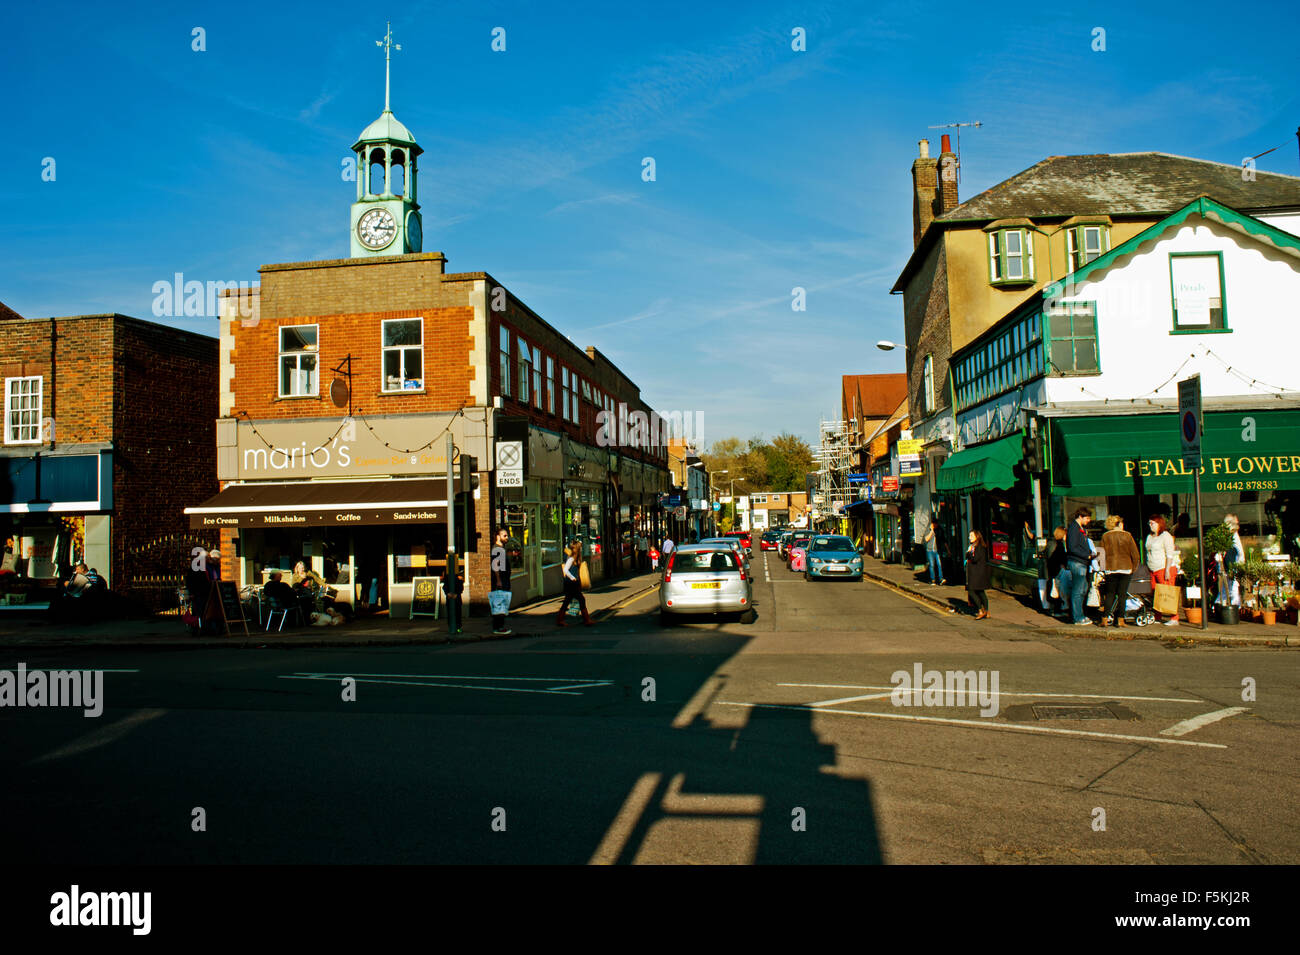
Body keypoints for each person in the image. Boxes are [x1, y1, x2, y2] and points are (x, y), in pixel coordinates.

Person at [1099, 515, 1139, 628]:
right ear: (1120, 524)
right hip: (1126, 568)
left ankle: (1105, 619)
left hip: (1110, 569)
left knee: (1110, 594)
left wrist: (1102, 568)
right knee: (1122, 595)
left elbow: (1100, 554)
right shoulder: (1127, 535)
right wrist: (1133, 568)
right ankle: (1120, 620)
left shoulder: (1105, 536)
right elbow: (1135, 554)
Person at [1145, 514, 1180, 626]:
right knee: (1156, 593)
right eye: (1149, 523)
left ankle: (1174, 617)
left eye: (1153, 523)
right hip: (1152, 568)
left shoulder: (1166, 536)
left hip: (1163, 567)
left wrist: (1167, 570)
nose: (1151, 525)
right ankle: (1158, 615)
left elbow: (1170, 554)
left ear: (1159, 524)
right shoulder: (1150, 536)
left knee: (1168, 593)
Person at [1062, 507, 1093, 625]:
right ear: (1080, 516)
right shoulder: (1074, 529)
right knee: (1078, 590)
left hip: (1081, 562)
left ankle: (1080, 615)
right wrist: (1087, 555)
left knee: (1082, 589)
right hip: (1077, 562)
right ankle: (1078, 617)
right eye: (1087, 518)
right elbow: (1072, 547)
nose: (1089, 520)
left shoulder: (1080, 528)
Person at [556, 541, 593, 627]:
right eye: (580, 548)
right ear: (577, 549)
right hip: (570, 583)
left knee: (568, 600)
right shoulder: (571, 558)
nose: (581, 550)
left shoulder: (576, 559)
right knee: (580, 599)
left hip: (573, 583)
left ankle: (560, 620)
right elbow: (565, 570)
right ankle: (586, 620)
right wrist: (572, 577)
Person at [489, 527, 513, 636]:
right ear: (498, 537)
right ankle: (498, 627)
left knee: (502, 603)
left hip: (504, 579)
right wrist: (498, 580)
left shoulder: (501, 549)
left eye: (507, 535)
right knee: (500, 604)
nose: (507, 537)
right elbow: (495, 566)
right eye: (504, 535)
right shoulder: (497, 549)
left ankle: (499, 626)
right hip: (501, 581)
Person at [965, 531, 992, 619]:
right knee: (980, 592)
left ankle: (981, 610)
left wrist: (968, 552)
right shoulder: (974, 546)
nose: (969, 537)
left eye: (971, 535)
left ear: (977, 536)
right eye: (969, 536)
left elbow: (975, 559)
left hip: (978, 574)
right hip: (976, 573)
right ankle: (987, 612)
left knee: (971, 591)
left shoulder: (979, 547)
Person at [1046, 526, 1068, 617]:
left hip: (1052, 570)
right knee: (1057, 589)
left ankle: (1055, 609)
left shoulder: (1051, 543)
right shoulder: (1059, 545)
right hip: (1057, 570)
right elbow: (1060, 558)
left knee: (1054, 589)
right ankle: (1056, 610)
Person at [923, 515, 945, 585]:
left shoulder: (939, 530)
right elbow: (926, 539)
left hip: (937, 550)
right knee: (932, 565)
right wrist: (932, 531)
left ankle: (941, 578)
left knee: (939, 564)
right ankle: (933, 579)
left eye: (936, 523)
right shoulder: (928, 530)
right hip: (929, 550)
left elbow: (943, 540)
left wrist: (947, 550)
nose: (935, 525)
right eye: (934, 523)